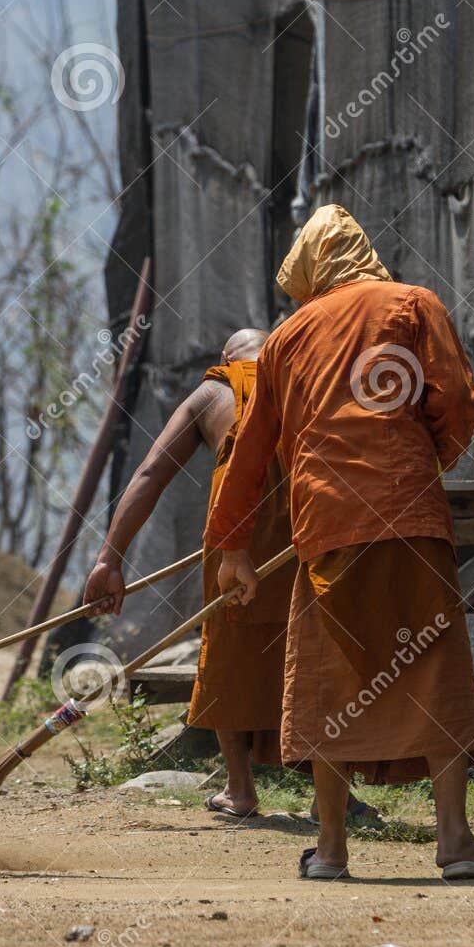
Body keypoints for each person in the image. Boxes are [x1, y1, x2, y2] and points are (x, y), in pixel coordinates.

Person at [208, 204, 474, 882]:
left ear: (315, 270)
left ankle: (330, 851)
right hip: (410, 516)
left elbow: (251, 449)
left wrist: (233, 548)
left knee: (327, 681)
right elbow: (459, 400)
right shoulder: (413, 303)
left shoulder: (287, 338)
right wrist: (426, 458)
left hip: (324, 524)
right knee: (434, 668)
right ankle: (457, 844)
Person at [84, 328, 376, 822]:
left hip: (235, 541)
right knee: (317, 652)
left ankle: (240, 791)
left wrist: (109, 559)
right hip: (314, 529)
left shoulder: (212, 393)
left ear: (226, 357)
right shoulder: (307, 378)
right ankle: (337, 797)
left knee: (226, 653)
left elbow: (151, 474)